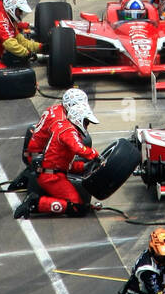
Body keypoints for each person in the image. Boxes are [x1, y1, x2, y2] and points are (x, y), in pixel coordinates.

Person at [14, 90, 100, 218]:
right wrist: (97, 155)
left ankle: (30, 186)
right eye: (86, 122)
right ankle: (35, 203)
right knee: (77, 208)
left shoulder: (63, 121)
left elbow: (63, 161)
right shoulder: (68, 131)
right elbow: (79, 149)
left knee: (80, 205)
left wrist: (83, 167)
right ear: (78, 118)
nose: (87, 126)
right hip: (50, 174)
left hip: (50, 167)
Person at [122, 228, 165, 294]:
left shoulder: (160, 258)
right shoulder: (147, 269)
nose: (164, 260)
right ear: (153, 250)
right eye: (161, 256)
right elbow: (157, 293)